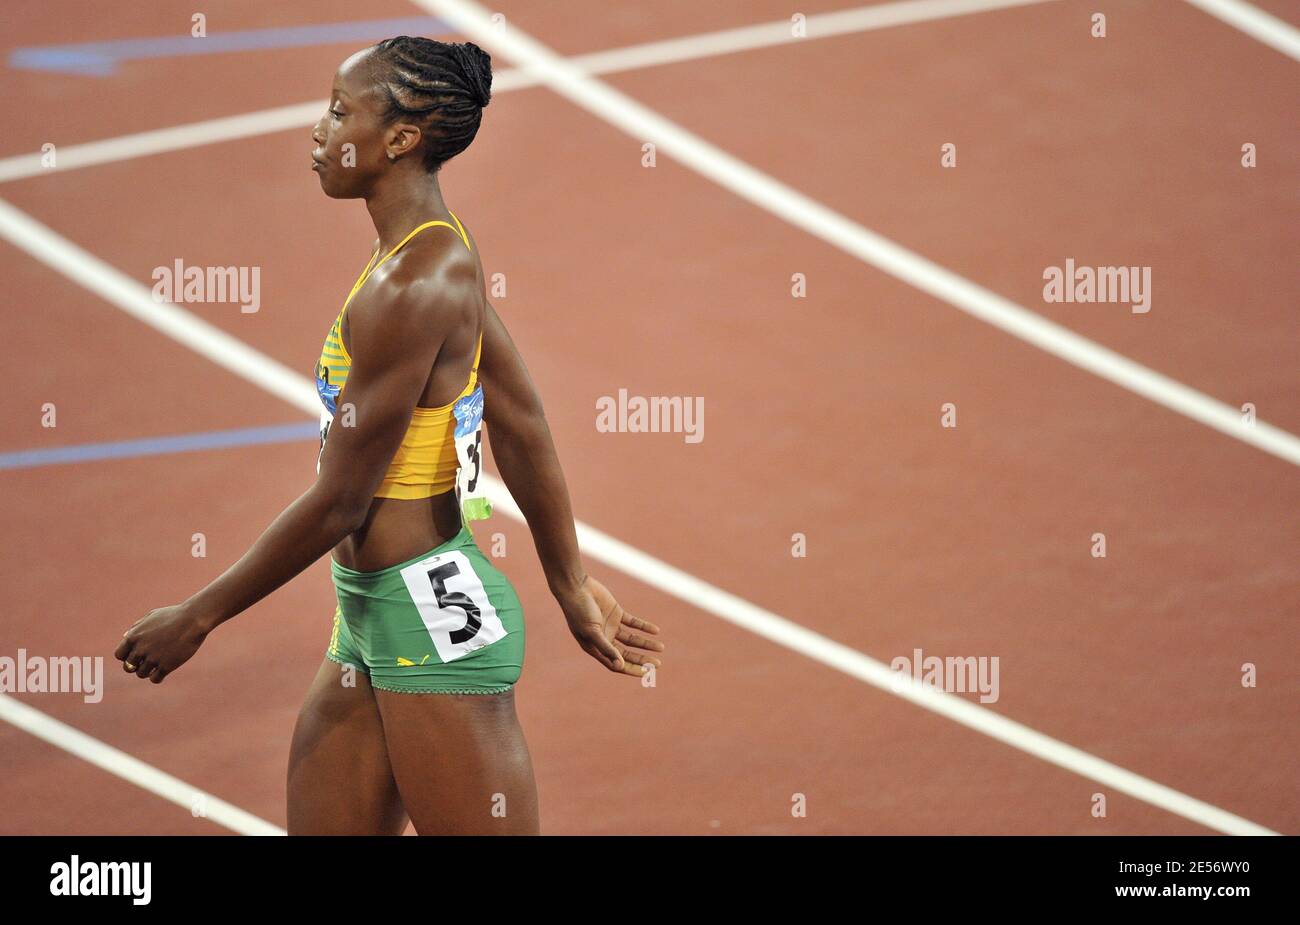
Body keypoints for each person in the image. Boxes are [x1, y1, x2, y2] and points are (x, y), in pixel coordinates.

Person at [114, 36, 664, 835]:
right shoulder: (431, 253)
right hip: (367, 613)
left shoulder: (415, 283)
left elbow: (341, 500)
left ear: (401, 138)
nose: (318, 131)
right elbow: (517, 413)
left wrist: (199, 614)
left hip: (427, 619)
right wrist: (567, 580)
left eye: (340, 112)